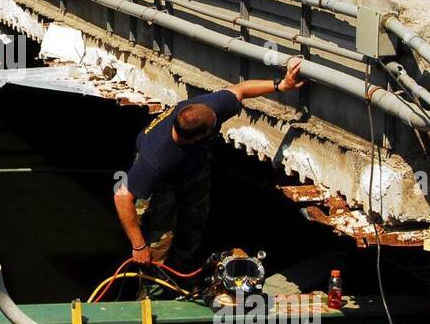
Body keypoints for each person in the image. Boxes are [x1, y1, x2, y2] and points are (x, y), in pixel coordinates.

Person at [113, 58, 306, 279]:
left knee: (194, 222)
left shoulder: (209, 109)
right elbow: (122, 197)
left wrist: (280, 85)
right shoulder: (155, 160)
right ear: (199, 136)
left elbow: (240, 90)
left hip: (195, 168)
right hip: (164, 182)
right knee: (158, 237)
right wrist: (138, 246)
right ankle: (155, 286)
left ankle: (183, 272)